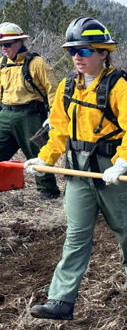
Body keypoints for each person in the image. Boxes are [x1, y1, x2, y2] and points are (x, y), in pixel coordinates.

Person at [24, 17, 127, 320]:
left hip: (113, 168)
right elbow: (59, 130)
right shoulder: (67, 87)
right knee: (77, 234)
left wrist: (122, 162)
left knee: (125, 229)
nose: (77, 57)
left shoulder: (120, 89)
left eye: (85, 50)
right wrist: (46, 159)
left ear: (103, 52)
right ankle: (61, 301)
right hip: (78, 170)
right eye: (72, 51)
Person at [0, 22, 60, 199]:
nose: (4, 48)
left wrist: (54, 117)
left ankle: (48, 191)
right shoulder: (2, 65)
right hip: (5, 114)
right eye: (1, 45)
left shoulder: (36, 63)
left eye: (7, 44)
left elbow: (54, 90)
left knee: (38, 153)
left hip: (30, 115)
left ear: (19, 42)